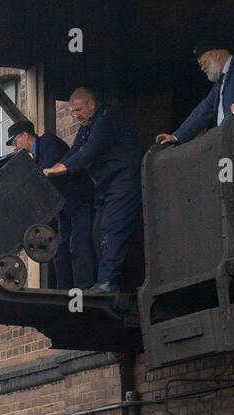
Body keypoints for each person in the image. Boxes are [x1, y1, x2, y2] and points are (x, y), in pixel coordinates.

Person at [43, 87, 144, 295]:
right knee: (97, 231)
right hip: (105, 185)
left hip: (123, 180)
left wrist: (64, 167)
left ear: (91, 104)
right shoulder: (87, 127)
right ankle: (105, 280)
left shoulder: (107, 117)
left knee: (111, 228)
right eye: (72, 112)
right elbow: (76, 150)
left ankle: (108, 281)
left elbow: (90, 150)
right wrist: (56, 168)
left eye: (78, 110)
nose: (75, 115)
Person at [6, 120, 95, 290]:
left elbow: (48, 169)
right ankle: (65, 291)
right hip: (63, 208)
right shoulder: (37, 158)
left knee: (79, 244)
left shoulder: (48, 142)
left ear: (25, 135)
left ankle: (83, 289)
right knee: (60, 252)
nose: (14, 147)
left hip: (79, 201)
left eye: (15, 141)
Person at [156, 42, 234, 151]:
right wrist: (177, 136)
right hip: (229, 147)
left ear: (216, 55)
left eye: (203, 62)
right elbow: (202, 111)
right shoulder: (220, 84)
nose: (202, 69)